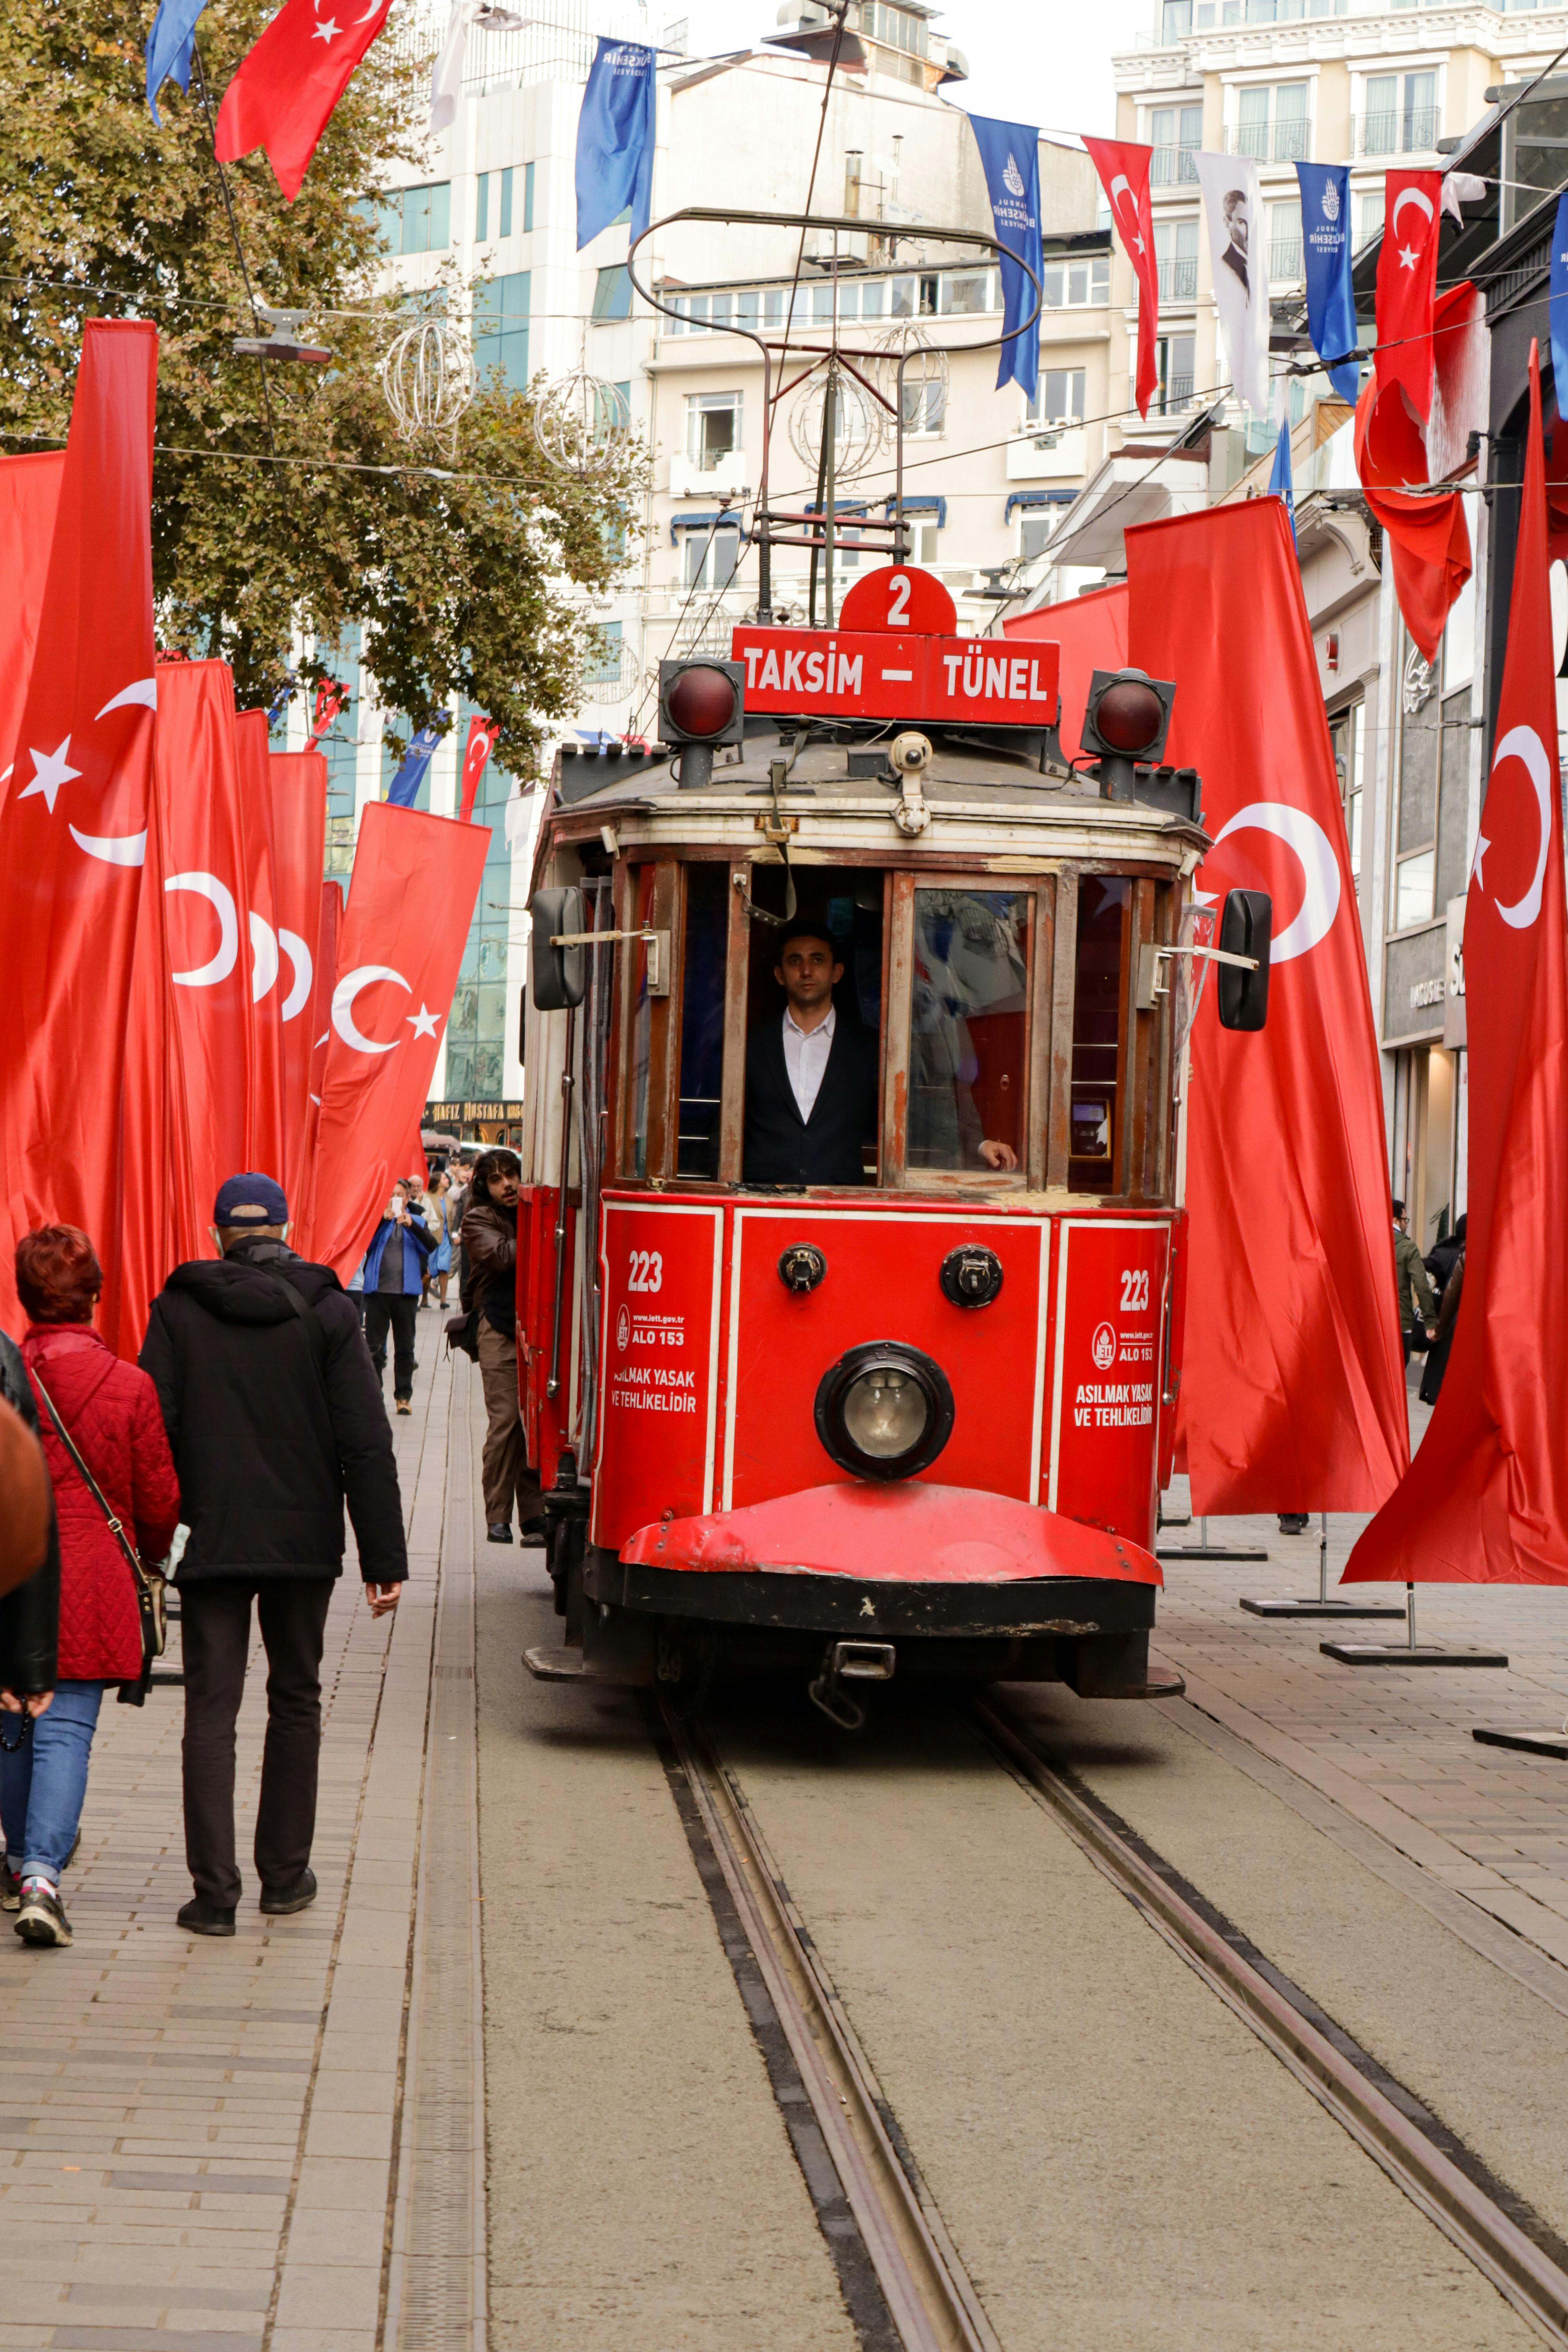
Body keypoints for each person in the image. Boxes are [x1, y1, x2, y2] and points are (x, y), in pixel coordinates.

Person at [140, 1171, 406, 1936]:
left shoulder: (178, 1310)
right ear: (286, 1229)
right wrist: (381, 1559)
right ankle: (285, 1878)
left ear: (217, 1232)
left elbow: (152, 1440)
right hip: (302, 1543)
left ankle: (213, 1896)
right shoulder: (327, 1310)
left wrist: (157, 1548)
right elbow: (366, 1442)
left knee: (210, 1708)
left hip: (212, 1541)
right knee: (296, 1696)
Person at [4, 1228, 180, 1950]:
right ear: (95, 1295)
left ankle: (19, 1860)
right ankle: (42, 1876)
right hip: (92, 1578)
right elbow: (160, 1498)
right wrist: (153, 1556)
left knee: (12, 1721)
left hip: (14, 1569)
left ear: (23, 1294)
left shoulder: (8, 1373)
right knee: (67, 1728)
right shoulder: (130, 1385)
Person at [742, 926, 882, 1187]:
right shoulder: (749, 1043)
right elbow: (723, 1129)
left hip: (840, 1201)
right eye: (795, 961)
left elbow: (897, 1120)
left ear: (837, 973)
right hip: (760, 1200)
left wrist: (976, 1145)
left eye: (817, 960)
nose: (806, 971)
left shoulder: (869, 1046)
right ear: (780, 975)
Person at [461, 1149, 543, 1545]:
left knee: (535, 1424)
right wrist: (542, 1219)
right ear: (485, 1187)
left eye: (512, 1175)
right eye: (496, 1179)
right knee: (508, 1420)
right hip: (497, 1327)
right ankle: (498, 1517)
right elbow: (503, 1256)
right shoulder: (478, 1218)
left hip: (537, 1329)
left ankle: (534, 1517)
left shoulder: (528, 1211)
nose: (507, 1184)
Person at [361, 1180, 434, 1415]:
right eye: (392, 1194)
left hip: (406, 1294)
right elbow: (364, 1244)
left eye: (401, 1195)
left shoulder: (418, 1221)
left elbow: (431, 1246)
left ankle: (403, 1396)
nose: (397, 1198)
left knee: (405, 1347)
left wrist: (412, 1225)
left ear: (408, 1198)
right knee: (374, 1348)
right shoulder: (378, 1221)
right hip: (378, 1292)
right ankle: (374, 1395)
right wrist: (383, 1220)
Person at [1392, 1198, 1438, 1363]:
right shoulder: (1408, 1248)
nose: (1406, 1224)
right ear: (1395, 1220)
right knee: (1398, 1372)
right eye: (1405, 1220)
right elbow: (1422, 1286)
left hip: (1372, 1323)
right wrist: (1431, 1322)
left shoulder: (1370, 1244)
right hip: (1400, 1323)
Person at [428, 1171, 460, 1309]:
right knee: (429, 1270)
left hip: (446, 1239)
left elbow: (452, 1217)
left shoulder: (448, 1198)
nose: (447, 1180)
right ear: (437, 1182)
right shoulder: (428, 1197)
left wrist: (453, 1233)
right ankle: (424, 1298)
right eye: (444, 1178)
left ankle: (443, 1300)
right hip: (432, 1238)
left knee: (445, 1269)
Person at [1220, 189, 1250, 295]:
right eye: (1242, 223)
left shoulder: (1255, 262)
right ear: (1228, 224)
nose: (1249, 231)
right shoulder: (1226, 265)